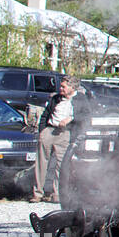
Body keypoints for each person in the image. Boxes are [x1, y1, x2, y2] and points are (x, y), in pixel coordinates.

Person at [32, 75, 79, 204]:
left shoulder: (79, 100)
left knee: (61, 164)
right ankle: (37, 193)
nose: (61, 88)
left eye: (64, 86)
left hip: (64, 133)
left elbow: (83, 117)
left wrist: (70, 121)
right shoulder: (55, 98)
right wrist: (42, 130)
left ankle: (57, 194)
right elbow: (45, 114)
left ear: (72, 87)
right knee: (41, 162)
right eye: (61, 86)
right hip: (49, 130)